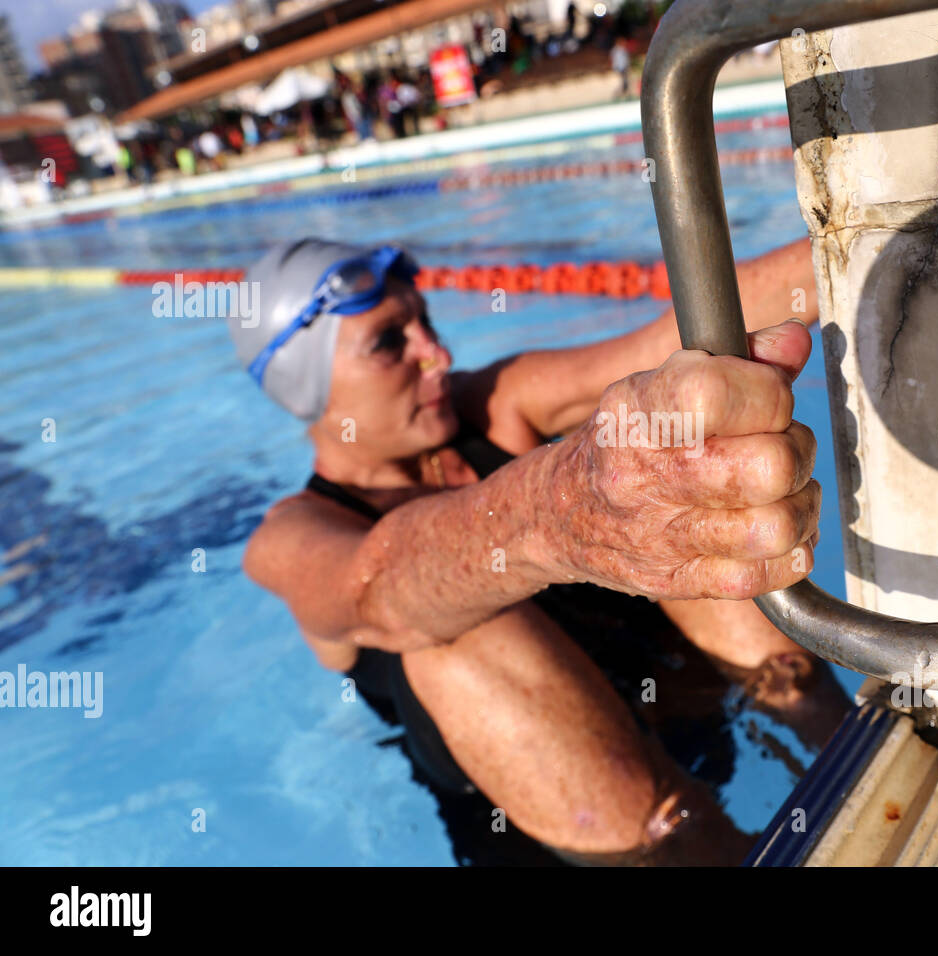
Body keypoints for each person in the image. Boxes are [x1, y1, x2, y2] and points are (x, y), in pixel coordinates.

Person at [228, 238, 847, 865]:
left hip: (702, 713)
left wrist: (859, 236)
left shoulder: (492, 406)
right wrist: (563, 511)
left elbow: (673, 343)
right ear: (305, 388)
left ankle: (855, 757)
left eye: (426, 322)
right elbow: (380, 585)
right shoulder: (290, 537)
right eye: (390, 343)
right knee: (451, 629)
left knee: (672, 473)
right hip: (584, 838)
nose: (435, 354)